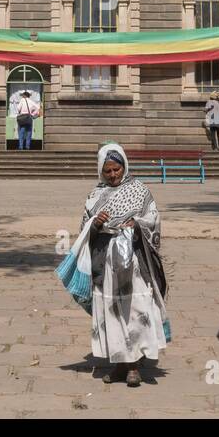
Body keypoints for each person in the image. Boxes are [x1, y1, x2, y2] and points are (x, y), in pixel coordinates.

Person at [79, 144, 168, 387]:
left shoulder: (139, 190)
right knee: (111, 311)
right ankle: (119, 364)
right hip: (106, 263)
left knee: (134, 309)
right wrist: (95, 224)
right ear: (101, 171)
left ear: (124, 166)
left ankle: (133, 366)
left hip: (134, 263)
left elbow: (154, 218)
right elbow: (83, 231)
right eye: (107, 171)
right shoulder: (94, 196)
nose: (113, 175)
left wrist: (136, 224)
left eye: (116, 169)